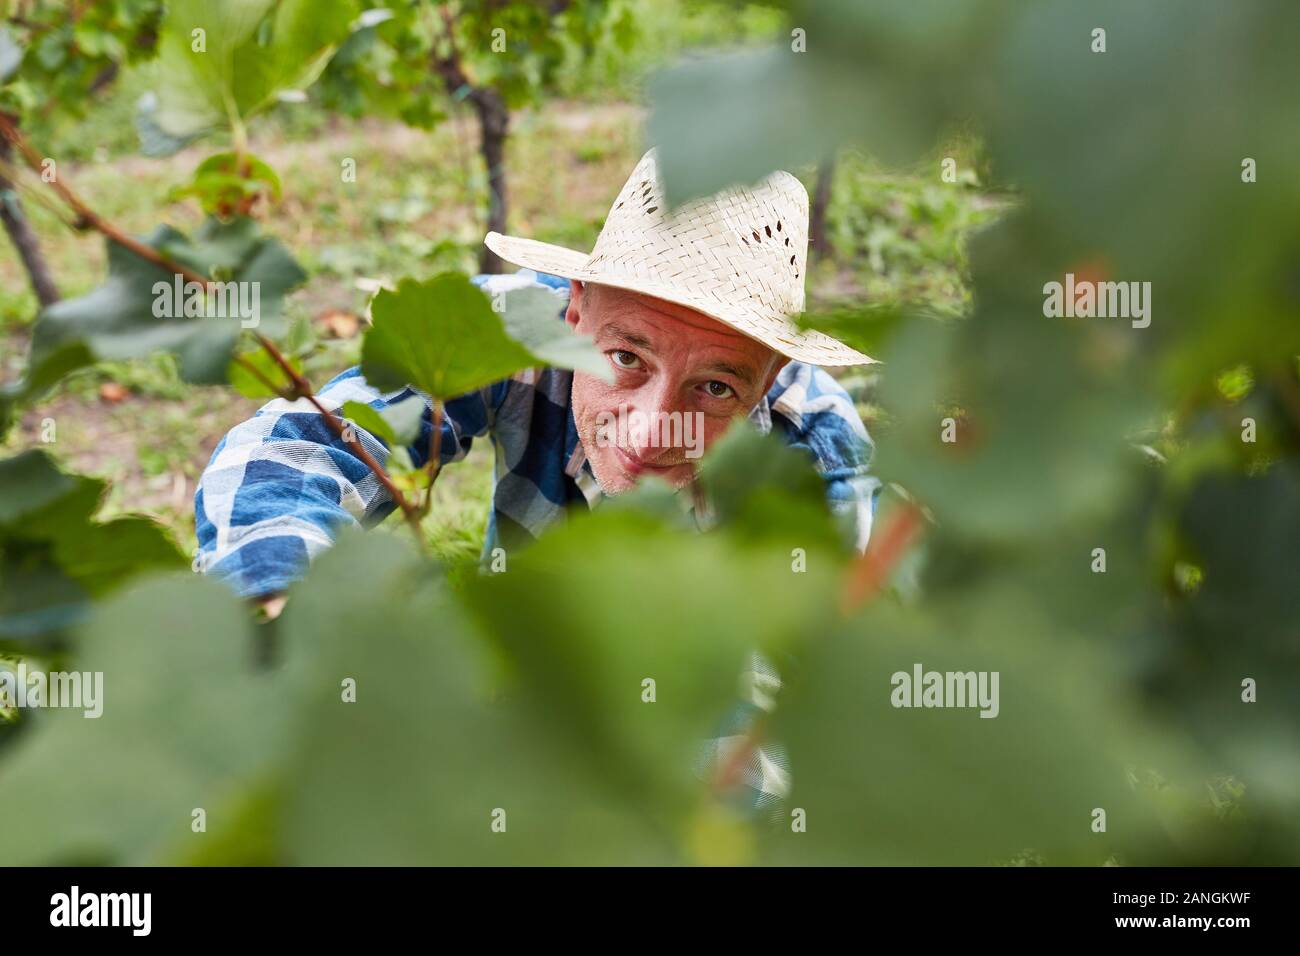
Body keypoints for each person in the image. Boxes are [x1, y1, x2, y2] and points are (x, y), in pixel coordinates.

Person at [195, 148, 880, 812]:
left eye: (715, 387)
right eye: (625, 357)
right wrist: (286, 604)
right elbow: (295, 448)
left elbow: (794, 749)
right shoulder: (510, 334)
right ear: (575, 307)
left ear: (769, 375)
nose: (648, 434)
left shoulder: (817, 474)